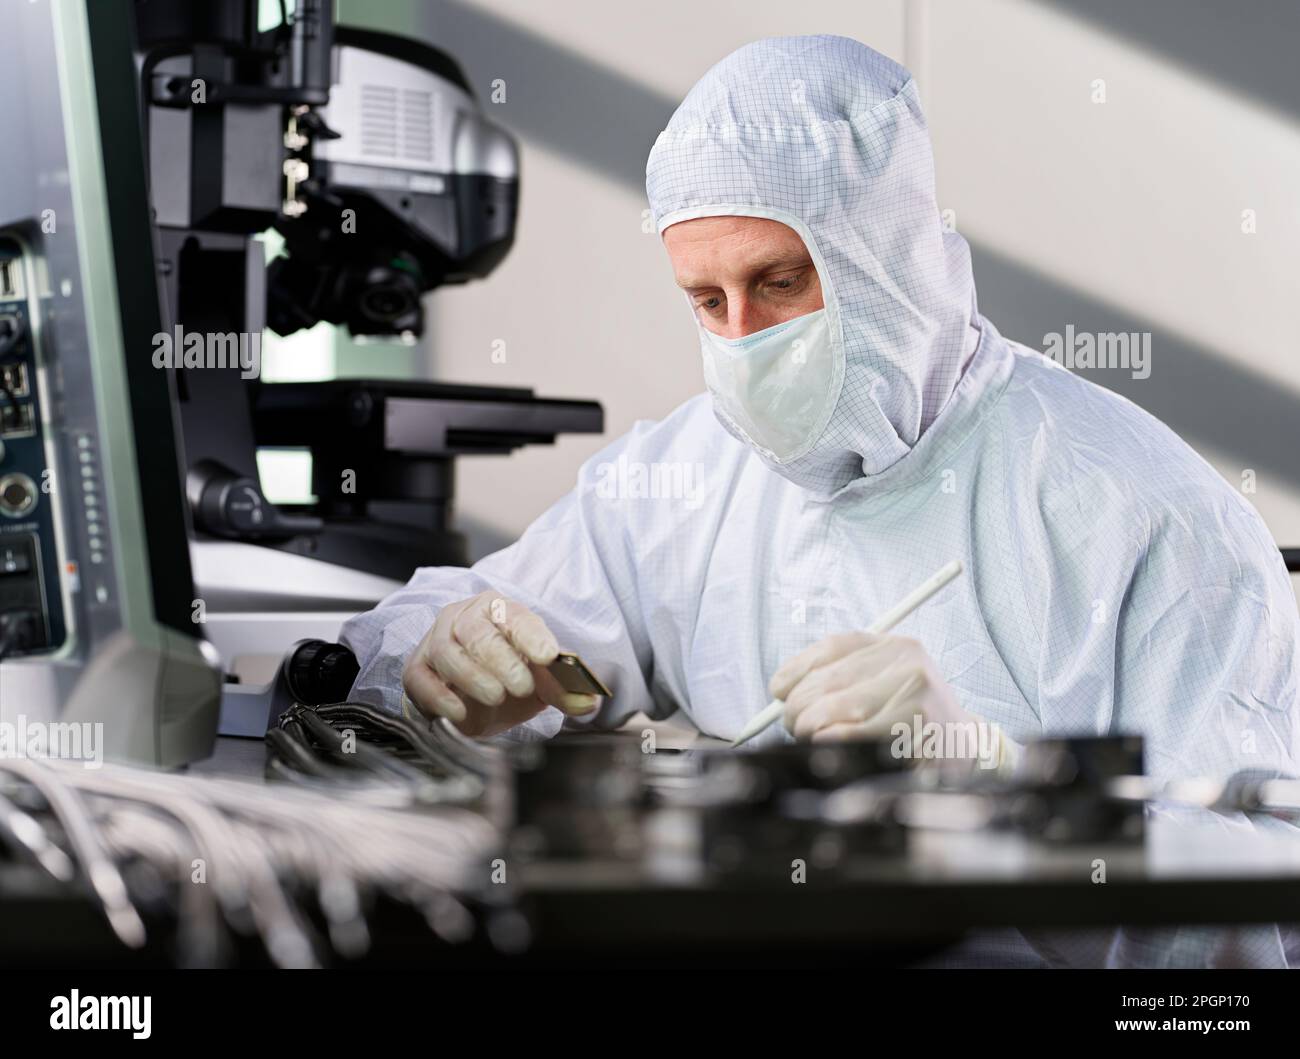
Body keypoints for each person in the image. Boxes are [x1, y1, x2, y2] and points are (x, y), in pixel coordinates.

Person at [340, 35, 1299, 963]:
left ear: (886, 263)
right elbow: (412, 642)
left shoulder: (1144, 515)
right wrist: (444, 658)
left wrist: (997, 787)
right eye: (708, 303)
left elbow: (1248, 935)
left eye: (780, 282)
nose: (745, 340)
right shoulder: (691, 472)